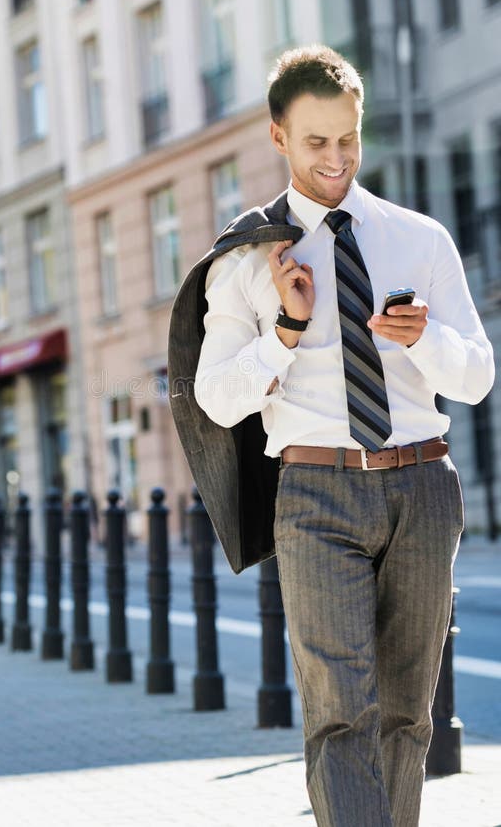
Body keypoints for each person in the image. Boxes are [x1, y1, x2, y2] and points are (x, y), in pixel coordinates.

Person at [168, 45, 495, 826]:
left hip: (423, 487)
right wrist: (285, 331)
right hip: (316, 495)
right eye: (317, 141)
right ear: (278, 136)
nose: (337, 158)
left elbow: (478, 376)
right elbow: (215, 399)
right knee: (340, 716)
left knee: (407, 716)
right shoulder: (250, 258)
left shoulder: (419, 238)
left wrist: (423, 338)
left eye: (348, 138)